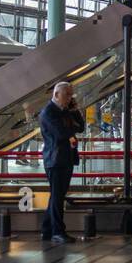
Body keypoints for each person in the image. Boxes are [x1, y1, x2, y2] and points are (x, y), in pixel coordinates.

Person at [39, 81, 85, 245]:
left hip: (66, 157)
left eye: (71, 95)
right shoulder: (48, 112)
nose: (69, 98)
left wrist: (74, 109)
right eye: (67, 95)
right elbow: (61, 133)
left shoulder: (66, 111)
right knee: (58, 196)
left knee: (57, 196)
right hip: (55, 159)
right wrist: (70, 128)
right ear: (56, 94)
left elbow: (81, 128)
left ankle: (47, 229)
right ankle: (57, 231)